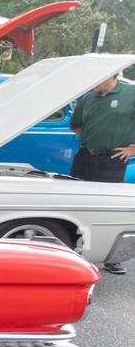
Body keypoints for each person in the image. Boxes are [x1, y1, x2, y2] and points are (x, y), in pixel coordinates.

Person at [69, 74, 135, 273]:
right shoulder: (88, 98)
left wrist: (132, 149)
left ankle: (112, 258)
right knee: (77, 202)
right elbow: (76, 126)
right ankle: (75, 250)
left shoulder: (130, 93)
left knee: (108, 207)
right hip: (85, 157)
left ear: (111, 75)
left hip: (112, 159)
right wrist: (94, 138)